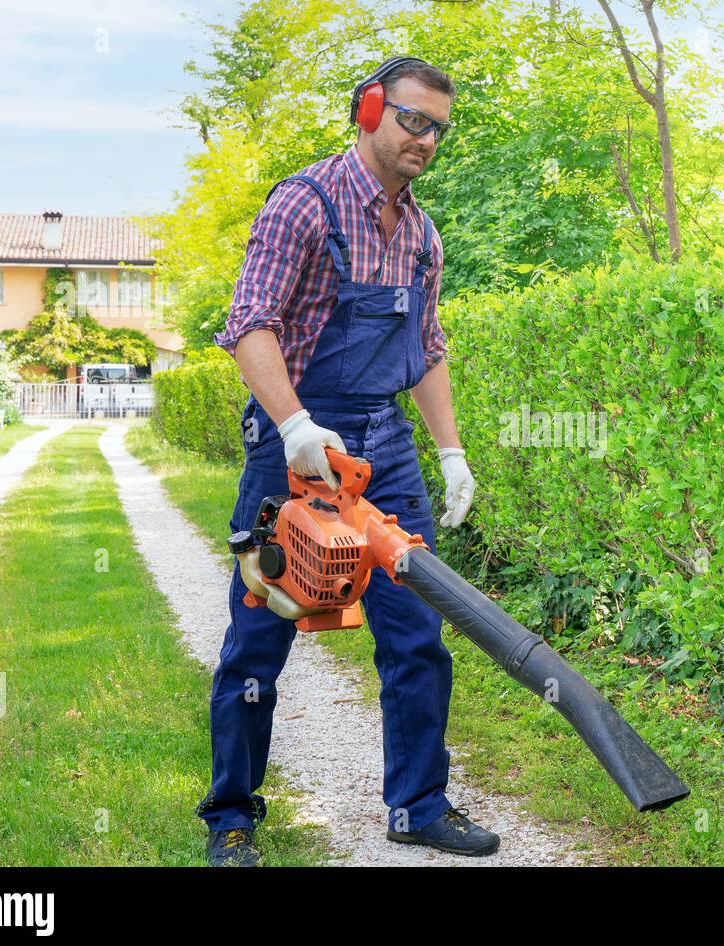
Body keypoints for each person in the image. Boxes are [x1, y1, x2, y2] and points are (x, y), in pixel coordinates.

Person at [197, 56, 495, 866]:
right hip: (290, 448)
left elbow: (426, 348)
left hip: (385, 448)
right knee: (259, 637)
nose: (424, 138)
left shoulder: (424, 235)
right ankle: (231, 815)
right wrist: (293, 425)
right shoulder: (307, 203)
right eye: (411, 119)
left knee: (417, 637)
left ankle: (418, 807)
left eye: (437, 127)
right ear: (370, 111)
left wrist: (451, 449)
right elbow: (250, 322)